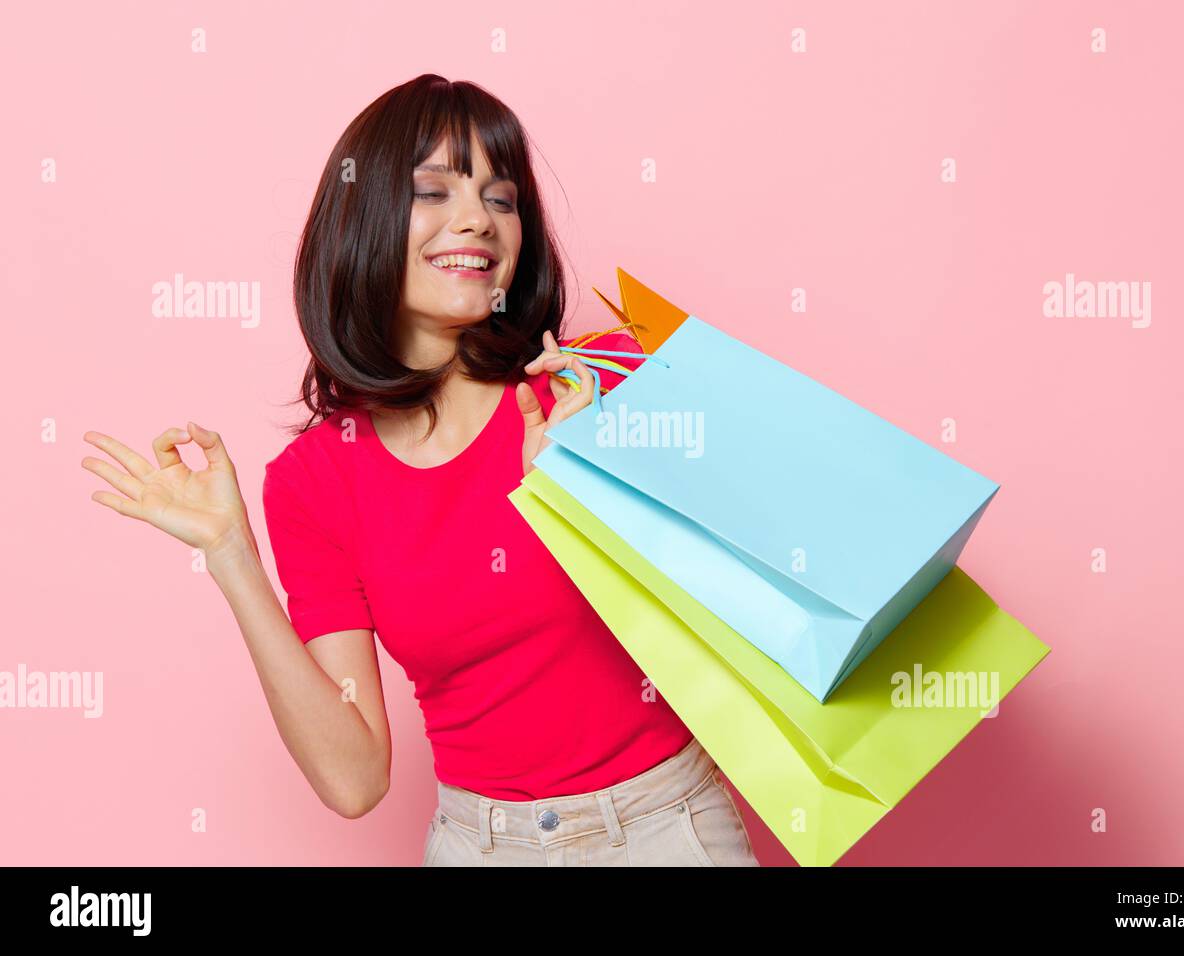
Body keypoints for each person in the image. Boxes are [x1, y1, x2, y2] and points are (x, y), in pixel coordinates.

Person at [80, 73, 758, 866]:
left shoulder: (598, 383)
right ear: (363, 222)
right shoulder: (313, 481)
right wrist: (232, 556)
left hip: (668, 829)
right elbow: (354, 779)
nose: (477, 219)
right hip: (479, 847)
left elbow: (761, 605)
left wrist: (595, 489)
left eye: (502, 199)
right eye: (433, 191)